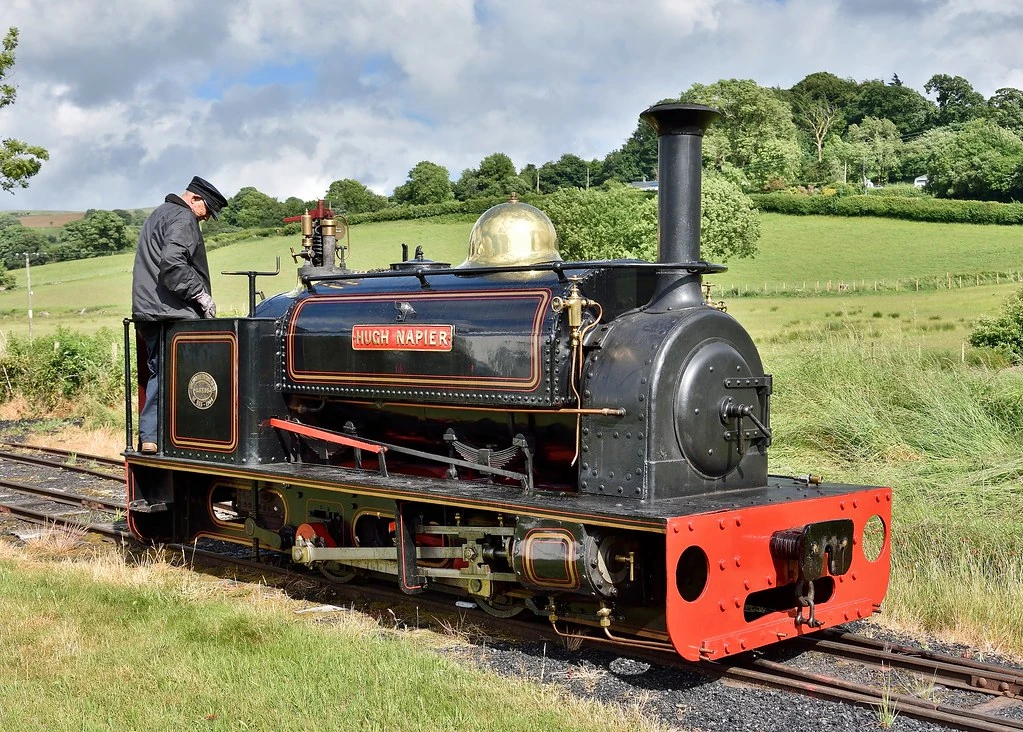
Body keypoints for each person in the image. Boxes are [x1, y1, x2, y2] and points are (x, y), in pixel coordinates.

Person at [132, 176, 228, 453]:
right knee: (182, 375)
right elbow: (173, 264)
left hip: (151, 309)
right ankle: (177, 436)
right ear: (194, 198)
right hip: (172, 312)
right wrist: (200, 294)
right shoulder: (184, 218)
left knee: (160, 372)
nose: (207, 218)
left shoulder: (160, 213)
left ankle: (156, 436)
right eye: (207, 210)